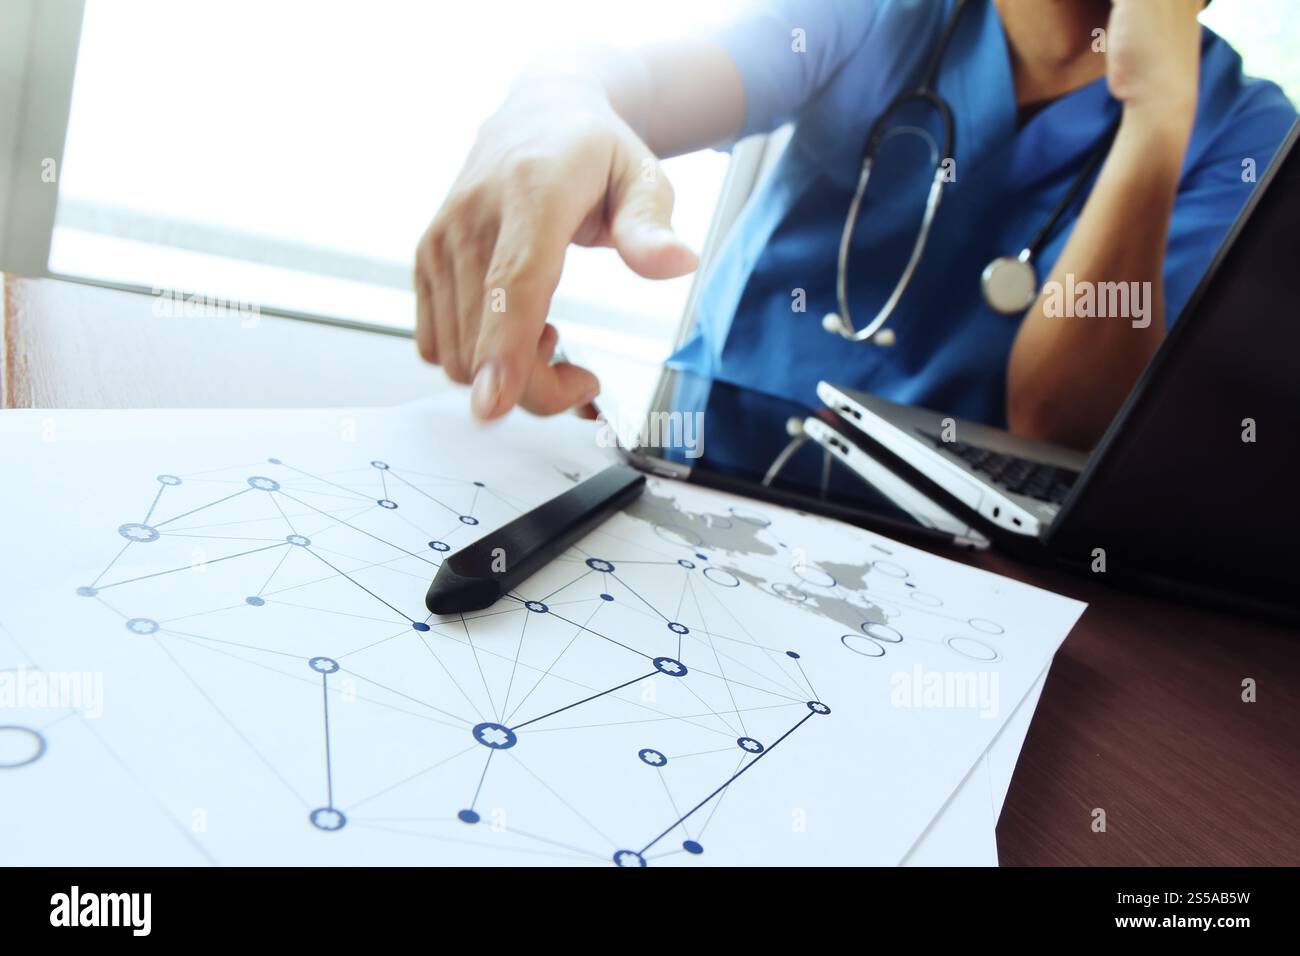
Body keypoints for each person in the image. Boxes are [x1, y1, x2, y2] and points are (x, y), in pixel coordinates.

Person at [413, 0, 1294, 450]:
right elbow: (632, 83)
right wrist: (554, 101)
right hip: (704, 470)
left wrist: (1157, 118)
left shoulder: (1248, 135)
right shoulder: (875, 11)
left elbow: (1060, 424)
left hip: (961, 575)